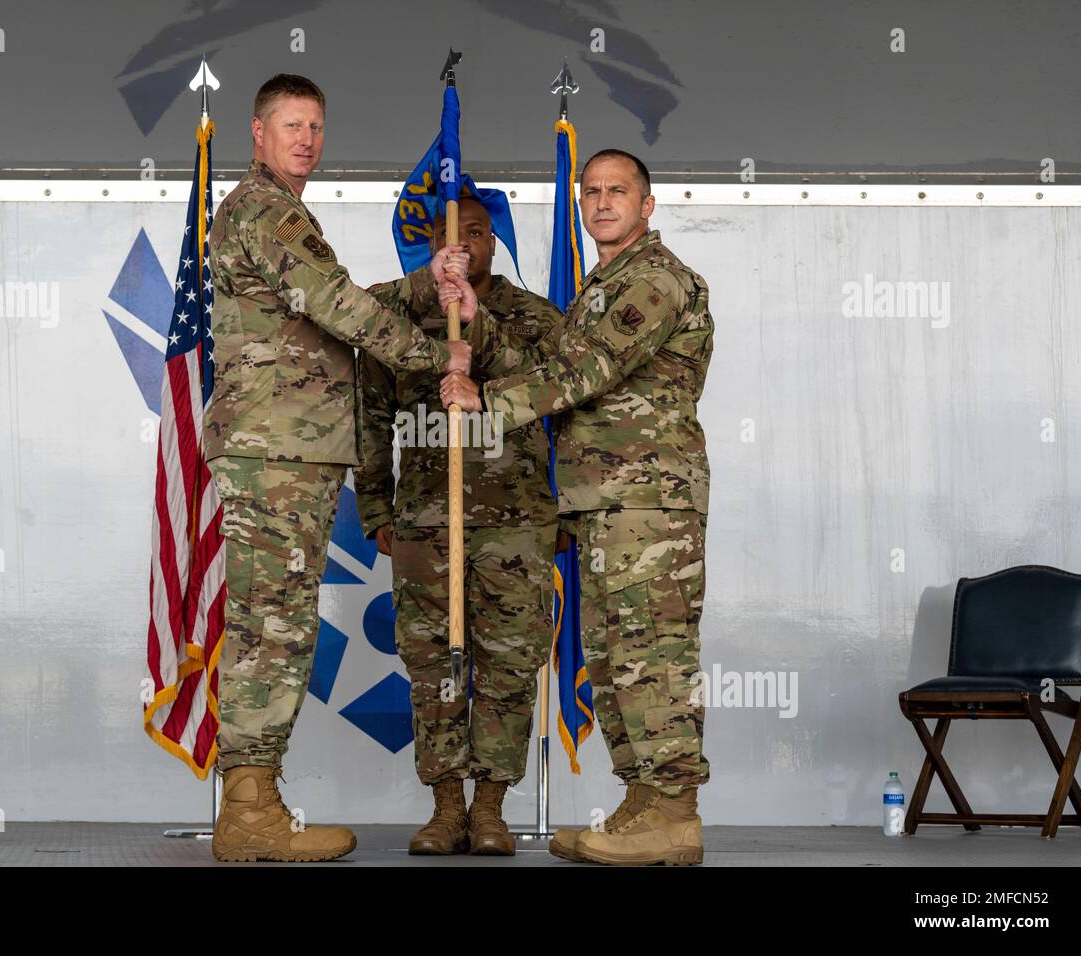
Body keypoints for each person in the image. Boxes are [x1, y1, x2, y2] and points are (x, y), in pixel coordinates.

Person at [204, 73, 471, 863]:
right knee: (271, 628)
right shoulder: (263, 208)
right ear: (258, 132)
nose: (306, 140)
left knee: (276, 623)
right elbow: (339, 307)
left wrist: (427, 282)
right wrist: (436, 359)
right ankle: (248, 808)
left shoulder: (279, 215)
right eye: (291, 125)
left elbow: (326, 299)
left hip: (291, 451)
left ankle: (254, 799)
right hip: (275, 451)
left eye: (316, 126)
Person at [437, 148, 714, 866]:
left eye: (617, 191)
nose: (600, 203)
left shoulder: (654, 279)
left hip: (648, 501)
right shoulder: (602, 285)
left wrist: (485, 401)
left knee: (652, 654)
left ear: (647, 205)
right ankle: (644, 803)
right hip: (603, 501)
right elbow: (557, 355)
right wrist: (479, 320)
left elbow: (583, 370)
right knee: (617, 656)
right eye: (590, 191)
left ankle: (675, 813)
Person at [356, 196, 562, 855]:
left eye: (476, 232)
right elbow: (371, 422)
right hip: (425, 523)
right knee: (434, 668)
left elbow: (571, 402)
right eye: (450, 234)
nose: (465, 244)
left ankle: (492, 811)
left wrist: (572, 516)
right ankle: (447, 809)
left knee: (507, 668)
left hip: (517, 524)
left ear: (495, 242)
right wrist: (374, 509)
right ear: (430, 246)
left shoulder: (534, 318)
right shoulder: (399, 315)